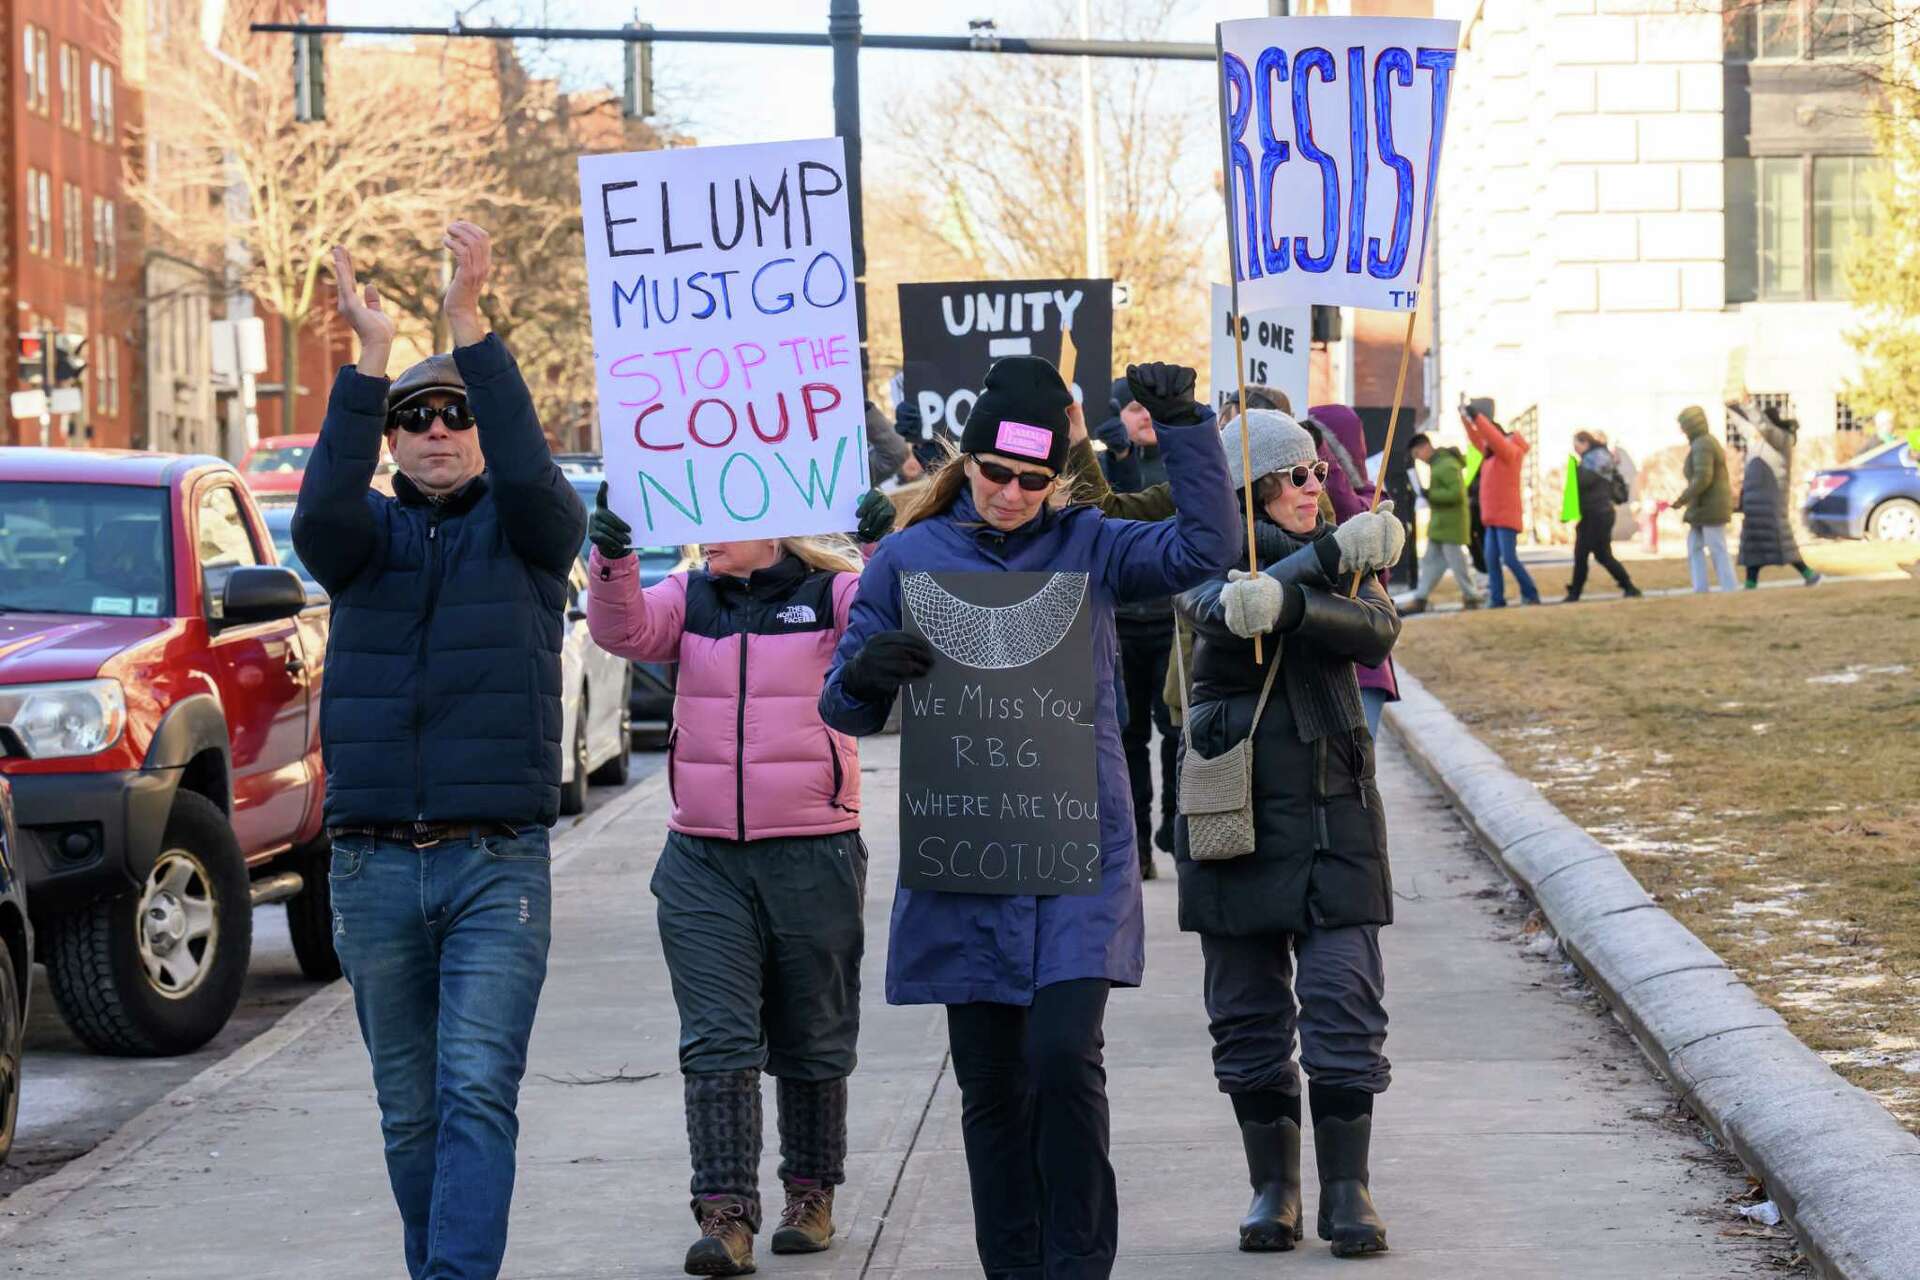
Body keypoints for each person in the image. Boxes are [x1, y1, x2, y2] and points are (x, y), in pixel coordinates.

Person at [820, 356, 1238, 1280]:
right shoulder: (907, 557)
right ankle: (1011, 1266)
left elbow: (1204, 551)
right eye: (994, 473)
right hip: (964, 862)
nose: (1010, 494)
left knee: (1061, 1058)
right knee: (992, 1088)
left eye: (1032, 479)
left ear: (1059, 478)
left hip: (1075, 854)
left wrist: (1183, 425)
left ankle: (1078, 1262)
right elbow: (839, 709)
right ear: (965, 463)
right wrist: (864, 673)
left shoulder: (1090, 545)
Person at [293, 224, 587, 1280]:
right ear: (391, 435)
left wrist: (471, 326)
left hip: (493, 864)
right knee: (408, 1108)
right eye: (412, 418)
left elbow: (531, 469)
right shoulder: (358, 542)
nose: (433, 432)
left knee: (473, 1087)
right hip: (372, 867)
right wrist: (368, 360)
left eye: (453, 414)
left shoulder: (531, 533)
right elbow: (319, 508)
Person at [583, 489, 890, 1277]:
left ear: (774, 525)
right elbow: (621, 628)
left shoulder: (834, 590)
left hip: (813, 849)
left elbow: (893, 621)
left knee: (812, 1033)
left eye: (721, 522)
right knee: (717, 1038)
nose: (703, 537)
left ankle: (811, 1196)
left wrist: (886, 548)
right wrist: (613, 556)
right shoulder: (689, 595)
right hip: (703, 858)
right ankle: (725, 1217)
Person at [1173, 409, 1403, 1259]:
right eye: (1297, 475)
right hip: (1232, 808)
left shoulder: (1350, 549)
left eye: (1317, 472)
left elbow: (1377, 630)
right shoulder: (1199, 548)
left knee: (1345, 1000)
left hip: (1333, 804)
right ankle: (1273, 1189)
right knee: (1245, 1012)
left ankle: (1350, 1191)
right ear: (1252, 490)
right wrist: (1325, 568)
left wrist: (1304, 592)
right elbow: (1223, 611)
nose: (1318, 486)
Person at [1094, 377, 1180, 876]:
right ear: (1116, 416)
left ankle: (1173, 827)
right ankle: (1138, 845)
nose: (1144, 416)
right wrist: (1119, 463)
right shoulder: (1104, 464)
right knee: (1127, 739)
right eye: (1133, 407)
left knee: (1175, 733)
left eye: (1150, 408)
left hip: (1170, 621)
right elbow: (1113, 520)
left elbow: (1163, 514)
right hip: (1123, 624)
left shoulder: (1179, 464)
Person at [1307, 404, 1401, 736]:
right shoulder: (1305, 498)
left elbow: (1349, 516)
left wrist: (1321, 453)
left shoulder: (1372, 501)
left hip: (1361, 664)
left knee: (1358, 770)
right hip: (1322, 660)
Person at [1730, 401, 1821, 590]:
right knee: (1752, 544)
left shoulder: (1780, 438)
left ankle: (1808, 574)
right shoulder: (1757, 440)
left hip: (1771, 502)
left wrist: (1748, 405)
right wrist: (1731, 406)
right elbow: (1745, 426)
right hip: (1754, 503)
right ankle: (1750, 583)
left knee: (1781, 542)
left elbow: (1762, 425)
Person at [1461, 397, 1540, 607]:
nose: (1484, 442)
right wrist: (1465, 418)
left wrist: (1477, 417)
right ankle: (1497, 598)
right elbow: (1478, 439)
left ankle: (1531, 594)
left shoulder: (1509, 453)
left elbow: (1491, 438)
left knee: (1509, 558)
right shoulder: (1490, 456)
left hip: (1505, 516)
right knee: (1491, 559)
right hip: (1492, 517)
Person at [1394, 432, 1481, 613]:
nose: (1418, 459)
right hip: (1443, 524)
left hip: (1451, 525)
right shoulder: (1441, 464)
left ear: (1426, 447)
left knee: (1457, 565)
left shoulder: (1446, 465)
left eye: (1417, 454)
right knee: (1430, 562)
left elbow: (1457, 494)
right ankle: (1421, 598)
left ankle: (1471, 596)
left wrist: (1429, 494)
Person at [1563, 431, 1642, 602]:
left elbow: (1582, 482)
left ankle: (1575, 592)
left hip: (1595, 514)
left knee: (1582, 553)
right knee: (1602, 554)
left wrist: (1574, 469)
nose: (1575, 449)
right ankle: (1628, 586)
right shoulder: (1601, 457)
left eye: (1576, 444)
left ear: (1585, 443)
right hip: (1601, 514)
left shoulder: (1593, 461)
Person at [1672, 405, 1735, 593]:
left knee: (1717, 549)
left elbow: (1702, 477)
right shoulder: (1702, 443)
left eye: (1683, 425)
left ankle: (1729, 588)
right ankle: (1701, 588)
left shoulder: (1703, 444)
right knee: (1695, 548)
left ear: (1691, 425)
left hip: (1709, 507)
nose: (1681, 430)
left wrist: (1682, 498)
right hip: (1702, 507)